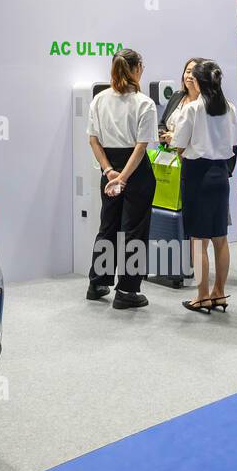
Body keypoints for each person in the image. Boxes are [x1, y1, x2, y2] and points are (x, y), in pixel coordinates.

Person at [85, 48, 157, 309]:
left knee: (109, 225)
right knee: (134, 230)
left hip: (110, 169)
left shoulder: (99, 100)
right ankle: (127, 290)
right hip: (134, 172)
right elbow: (140, 147)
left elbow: (93, 140)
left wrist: (109, 172)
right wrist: (124, 177)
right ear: (136, 69)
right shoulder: (144, 103)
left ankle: (98, 282)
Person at [171, 60, 237, 314]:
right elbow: (232, 144)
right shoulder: (230, 108)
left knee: (198, 241)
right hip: (220, 174)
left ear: (198, 82)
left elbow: (179, 144)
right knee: (220, 238)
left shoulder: (193, 110)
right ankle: (219, 293)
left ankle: (201, 296)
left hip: (197, 175)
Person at [159, 57, 206, 145]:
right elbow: (163, 123)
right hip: (169, 155)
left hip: (191, 156)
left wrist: (176, 138)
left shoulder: (206, 103)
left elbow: (204, 137)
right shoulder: (177, 95)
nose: (190, 76)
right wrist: (162, 133)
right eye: (188, 72)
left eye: (196, 73)